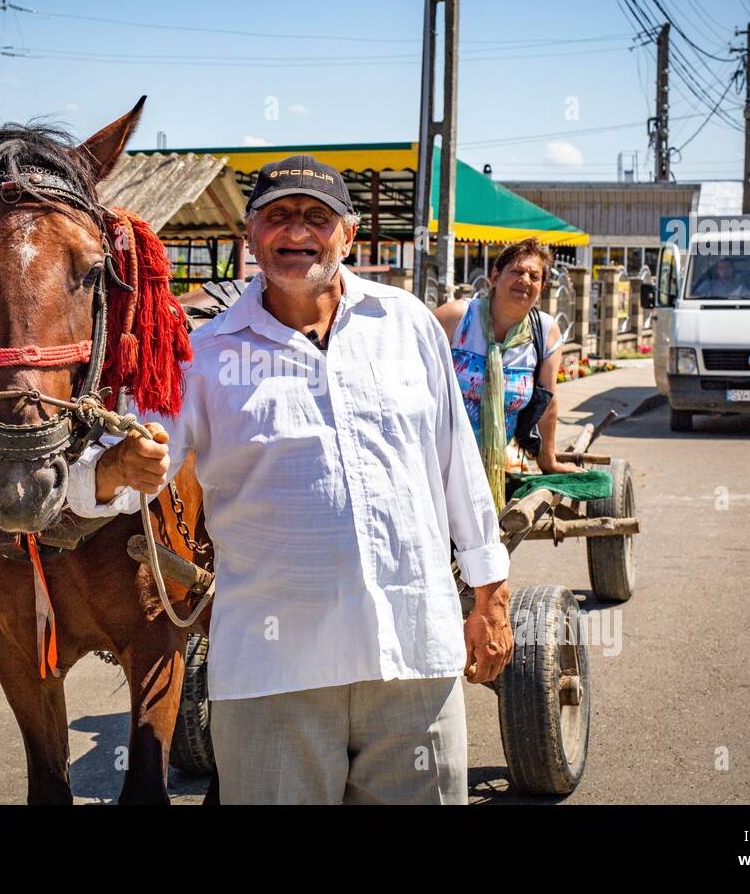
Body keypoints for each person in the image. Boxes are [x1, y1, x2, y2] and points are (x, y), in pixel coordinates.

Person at [66, 154, 511, 805]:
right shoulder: (204, 357)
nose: (296, 230)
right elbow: (106, 476)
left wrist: (491, 595)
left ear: (348, 235)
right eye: (278, 216)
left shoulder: (409, 325)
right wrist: (114, 468)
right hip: (274, 682)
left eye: (316, 216)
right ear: (252, 237)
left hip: (414, 665)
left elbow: (458, 468)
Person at [434, 239, 575, 511]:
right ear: (495, 276)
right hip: (436, 462)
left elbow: (547, 402)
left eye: (534, 276)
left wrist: (548, 459)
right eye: (517, 271)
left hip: (492, 472)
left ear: (542, 288)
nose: (525, 280)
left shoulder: (544, 332)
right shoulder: (457, 317)